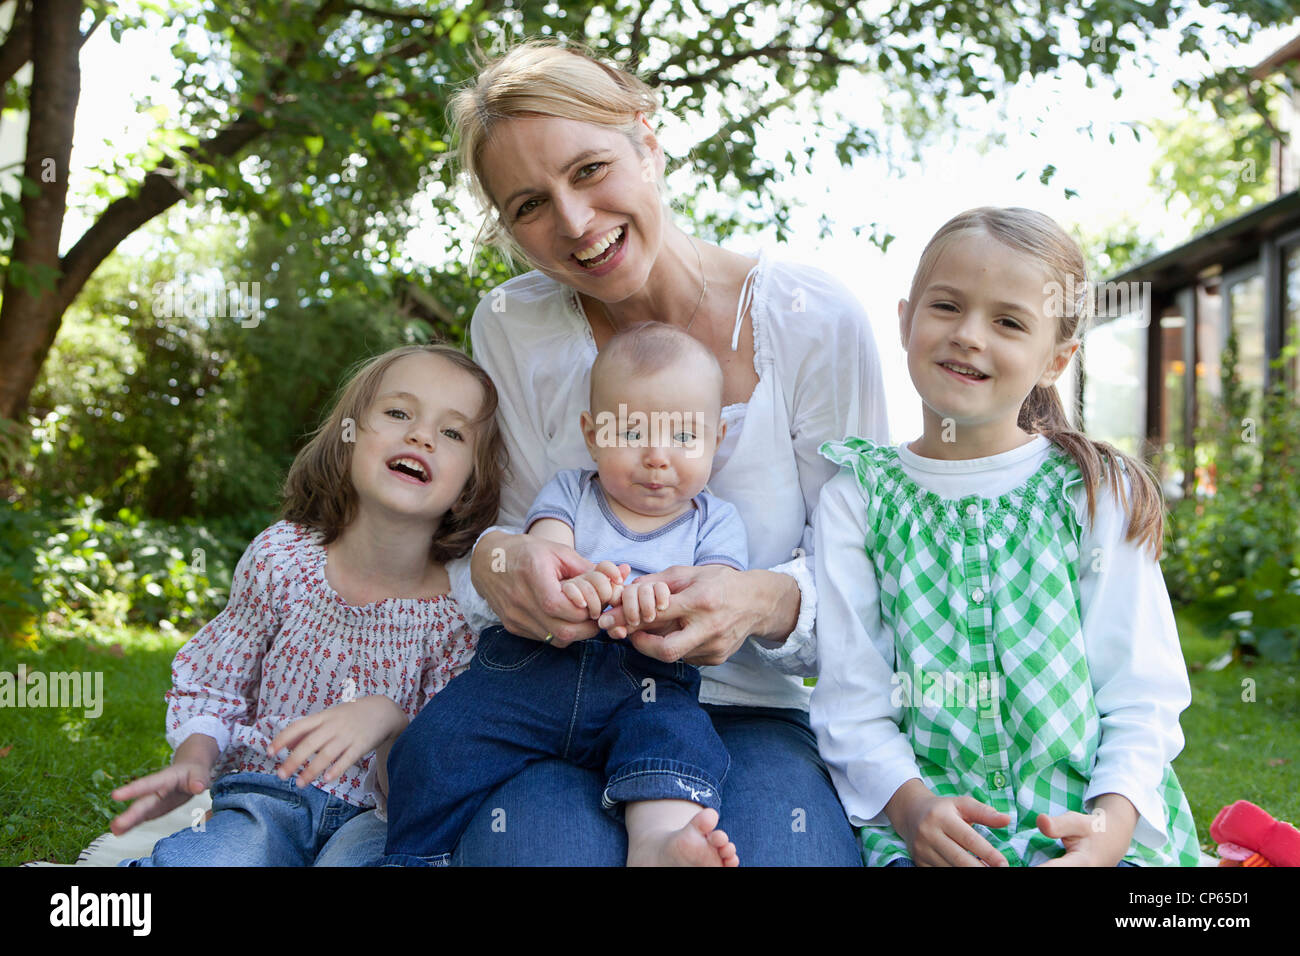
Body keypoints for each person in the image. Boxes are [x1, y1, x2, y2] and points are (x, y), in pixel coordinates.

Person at [389, 38, 891, 866]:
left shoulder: (813, 319)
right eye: (529, 205)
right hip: (550, 701)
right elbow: (501, 535)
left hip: (748, 712)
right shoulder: (512, 326)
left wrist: (758, 602)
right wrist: (505, 568)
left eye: (588, 170)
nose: (575, 224)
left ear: (645, 139)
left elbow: (871, 579)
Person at [809, 207, 1201, 867]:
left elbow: (1141, 691)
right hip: (936, 834)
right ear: (905, 320)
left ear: (1057, 359)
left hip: (1094, 827)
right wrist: (911, 810)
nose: (968, 336)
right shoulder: (858, 498)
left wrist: (1106, 836)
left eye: (1009, 322)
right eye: (946, 307)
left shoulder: (1094, 489)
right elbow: (852, 696)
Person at [109, 344, 507, 866]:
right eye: (397, 413)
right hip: (267, 799)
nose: (421, 435)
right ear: (347, 439)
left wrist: (388, 718)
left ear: (468, 486)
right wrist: (194, 759)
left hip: (380, 824)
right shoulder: (283, 560)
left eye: (452, 433)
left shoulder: (458, 616)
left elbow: (431, 781)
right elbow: (216, 686)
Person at [383, 322, 744, 866]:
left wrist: (662, 604)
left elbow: (712, 602)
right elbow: (545, 556)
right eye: (631, 433)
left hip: (645, 681)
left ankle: (658, 843)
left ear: (716, 438)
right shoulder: (572, 492)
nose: (657, 456)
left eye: (684, 436)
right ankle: (413, 854)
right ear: (593, 433)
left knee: (678, 742)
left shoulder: (716, 522)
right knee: (435, 745)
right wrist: (573, 582)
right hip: (532, 667)